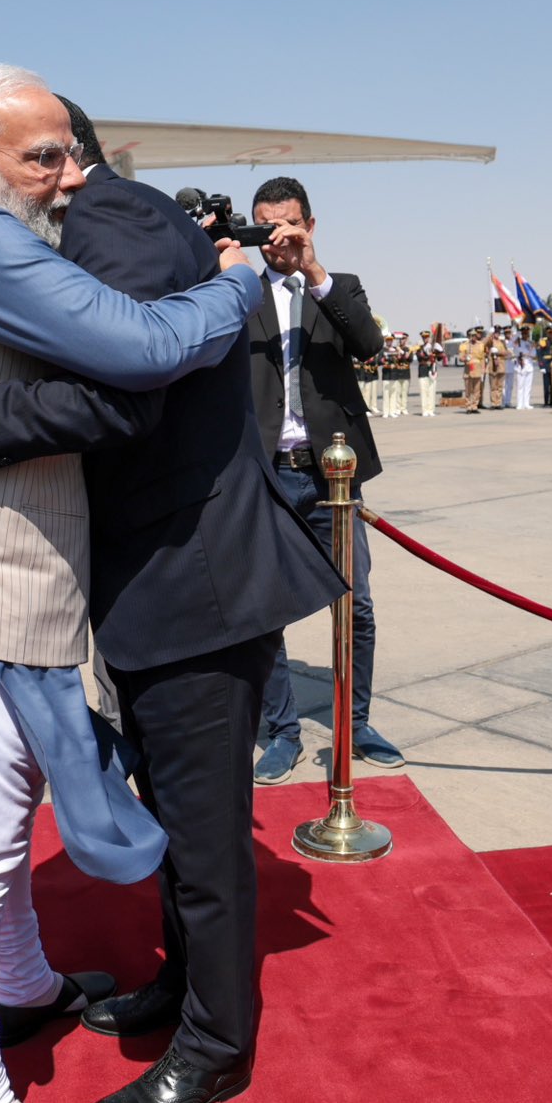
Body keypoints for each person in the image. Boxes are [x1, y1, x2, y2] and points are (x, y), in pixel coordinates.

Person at [0, 93, 344, 1103]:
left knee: (206, 841)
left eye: (52, 155)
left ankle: (216, 1044)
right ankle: (181, 988)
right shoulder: (115, 220)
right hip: (163, 582)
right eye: (35, 160)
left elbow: (128, 390)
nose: (52, 178)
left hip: (191, 586)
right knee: (176, 817)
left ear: (71, 155)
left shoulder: (105, 223)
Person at [240, 176, 405, 780]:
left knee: (355, 606)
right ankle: (282, 730)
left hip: (334, 479)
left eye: (287, 223)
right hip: (268, 475)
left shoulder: (340, 288)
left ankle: (354, 724)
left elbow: (368, 344)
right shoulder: (238, 292)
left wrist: (314, 270)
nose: (276, 235)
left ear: (310, 225)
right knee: (267, 615)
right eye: (265, 223)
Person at [415, 328, 441, 417]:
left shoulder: (433, 346)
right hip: (423, 370)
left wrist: (437, 351)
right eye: (424, 337)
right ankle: (424, 410)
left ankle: (431, 409)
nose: (425, 339)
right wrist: (429, 353)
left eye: (427, 337)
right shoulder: (420, 348)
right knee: (424, 391)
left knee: (432, 391)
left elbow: (440, 357)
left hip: (432, 370)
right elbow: (419, 357)